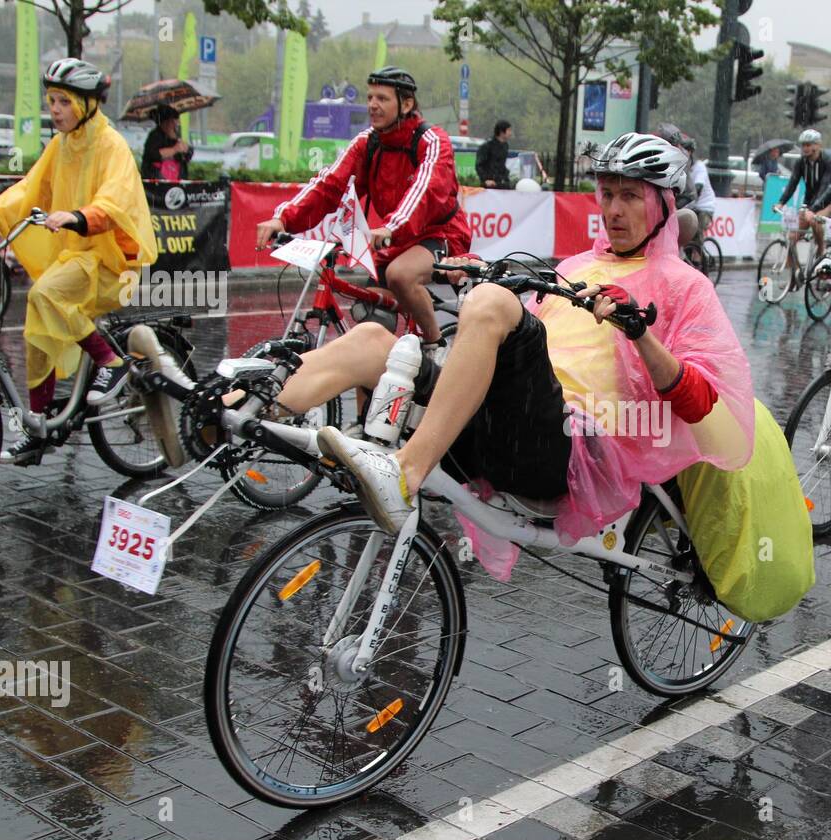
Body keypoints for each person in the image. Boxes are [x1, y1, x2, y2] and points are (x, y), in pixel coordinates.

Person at [142, 133, 755, 554]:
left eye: (631, 196)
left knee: (491, 309)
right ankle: (223, 419)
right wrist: (475, 270)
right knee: (374, 339)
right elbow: (525, 350)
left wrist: (640, 333)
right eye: (608, 193)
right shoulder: (579, 265)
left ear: (663, 205)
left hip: (570, 453)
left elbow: (708, 408)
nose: (614, 209)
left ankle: (405, 473)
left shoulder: (685, 286)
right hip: (506, 431)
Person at [0, 59, 157, 465]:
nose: (54, 109)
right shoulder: (60, 145)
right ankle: (38, 428)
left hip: (113, 263)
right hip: (77, 258)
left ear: (87, 104)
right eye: (51, 100)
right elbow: (29, 188)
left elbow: (115, 200)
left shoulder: (112, 146)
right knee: (38, 327)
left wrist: (77, 216)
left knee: (45, 295)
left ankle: (110, 360)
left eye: (63, 101)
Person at [255, 67, 470, 343]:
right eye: (369, 97)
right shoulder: (367, 143)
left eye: (382, 98)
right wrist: (283, 219)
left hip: (441, 234)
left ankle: (434, 343)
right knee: (369, 334)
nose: (372, 105)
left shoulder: (431, 140)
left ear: (406, 104)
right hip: (395, 240)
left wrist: (391, 227)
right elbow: (329, 185)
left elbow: (426, 190)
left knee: (400, 276)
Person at [774, 128, 831, 259]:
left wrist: (814, 210)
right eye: (803, 145)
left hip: (826, 204)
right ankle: (794, 275)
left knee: (815, 221)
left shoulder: (828, 162)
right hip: (808, 204)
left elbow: (824, 187)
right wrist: (781, 203)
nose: (805, 148)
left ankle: (821, 249)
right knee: (792, 237)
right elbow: (792, 183)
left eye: (809, 144)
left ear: (818, 145)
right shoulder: (801, 162)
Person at [139, 104, 192, 181]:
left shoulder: (178, 135)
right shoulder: (155, 136)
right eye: (171, 121)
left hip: (177, 180)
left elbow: (187, 156)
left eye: (175, 121)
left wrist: (185, 148)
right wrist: (174, 149)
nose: (174, 124)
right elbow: (154, 154)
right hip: (156, 181)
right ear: (164, 122)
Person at [682, 137, 716, 244]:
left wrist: (684, 201)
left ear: (690, 152)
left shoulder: (699, 167)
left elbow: (698, 189)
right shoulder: (683, 167)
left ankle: (698, 258)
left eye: (684, 151)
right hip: (691, 206)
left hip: (705, 207)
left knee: (696, 233)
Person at [476, 119, 512, 189]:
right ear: (502, 132)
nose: (510, 133)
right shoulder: (486, 146)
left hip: (500, 184)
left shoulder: (505, 146)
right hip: (489, 186)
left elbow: (502, 165)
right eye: (509, 130)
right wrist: (485, 180)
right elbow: (479, 165)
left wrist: (506, 178)